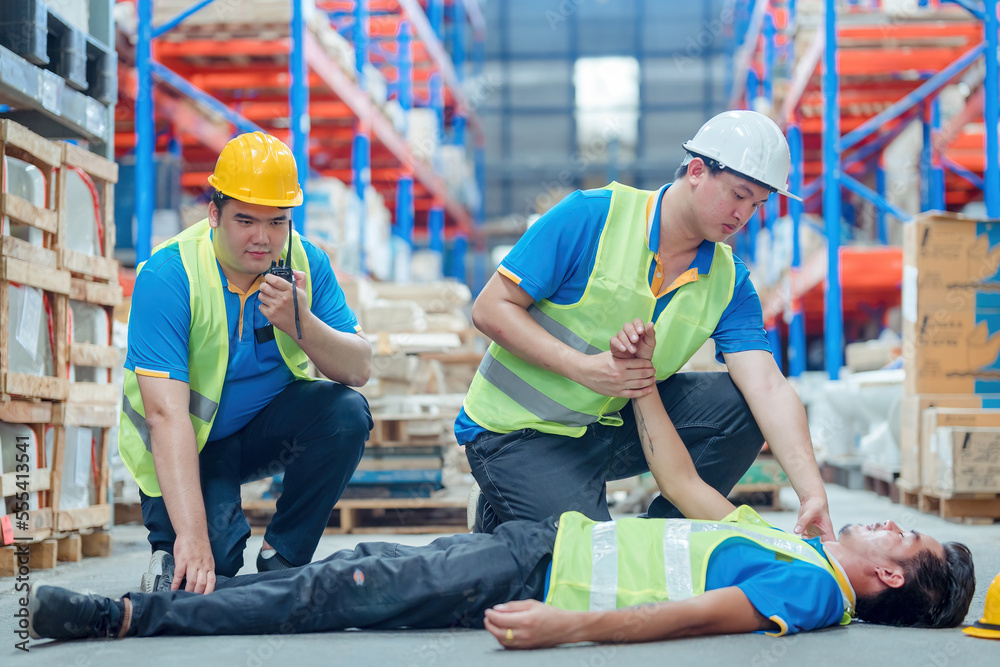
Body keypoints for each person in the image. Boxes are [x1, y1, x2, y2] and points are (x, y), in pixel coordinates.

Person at [28, 322, 976, 645]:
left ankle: (127, 620)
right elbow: (683, 483)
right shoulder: (794, 547)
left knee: (347, 589)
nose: (887, 529)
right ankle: (195, 604)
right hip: (552, 542)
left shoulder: (811, 589)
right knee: (355, 574)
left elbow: (687, 617)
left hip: (545, 578)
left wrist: (574, 627)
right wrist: (638, 380)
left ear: (891, 576)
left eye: (903, 539)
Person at [458, 109, 834, 540]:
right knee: (583, 561)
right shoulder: (592, 217)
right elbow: (490, 307)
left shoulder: (729, 280)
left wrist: (812, 494)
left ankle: (664, 539)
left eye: (758, 204)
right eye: (738, 194)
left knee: (743, 405)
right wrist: (581, 367)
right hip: (519, 433)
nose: (743, 214)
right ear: (697, 171)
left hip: (610, 428)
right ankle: (499, 506)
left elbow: (767, 386)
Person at [119, 132, 374, 595]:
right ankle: (170, 543)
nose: (263, 238)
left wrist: (303, 325)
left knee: (345, 412)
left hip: (258, 431)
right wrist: (193, 539)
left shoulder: (305, 263)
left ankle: (285, 557)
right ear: (213, 213)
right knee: (212, 563)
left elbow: (358, 369)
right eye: (245, 220)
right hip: (187, 445)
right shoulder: (170, 275)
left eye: (278, 221)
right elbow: (164, 415)